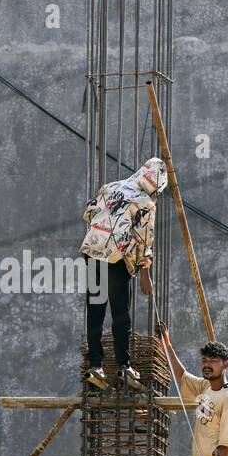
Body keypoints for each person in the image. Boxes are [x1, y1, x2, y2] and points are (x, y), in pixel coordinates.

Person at [78, 158, 167, 390]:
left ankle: (96, 365)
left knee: (95, 312)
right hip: (116, 259)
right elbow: (144, 240)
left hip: (92, 253)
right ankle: (123, 365)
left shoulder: (110, 187)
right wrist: (145, 273)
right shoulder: (146, 202)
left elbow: (88, 213)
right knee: (120, 315)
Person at [158, 329, 228, 456]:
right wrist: (167, 345)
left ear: (226, 365)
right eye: (204, 360)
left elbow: (226, 442)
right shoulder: (206, 387)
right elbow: (181, 376)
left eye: (213, 360)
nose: (207, 365)